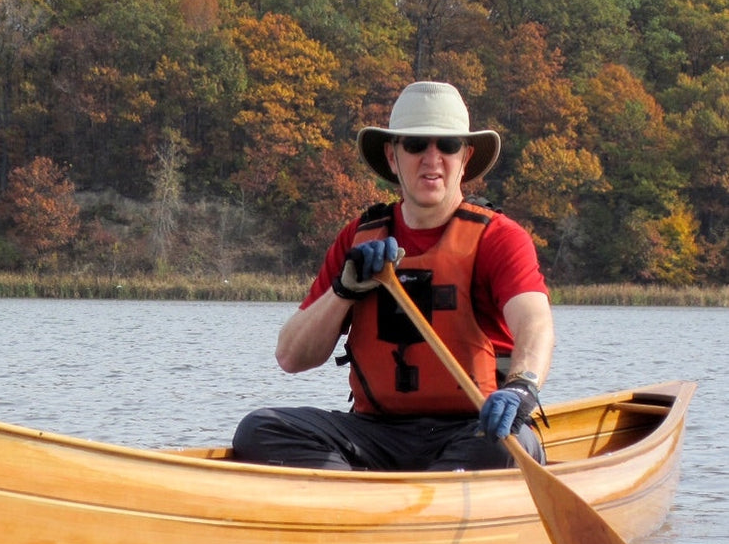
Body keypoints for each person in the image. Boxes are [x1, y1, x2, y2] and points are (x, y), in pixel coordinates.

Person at [232, 80, 554, 471]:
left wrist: (522, 386)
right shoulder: (358, 238)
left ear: (465, 157)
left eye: (448, 145)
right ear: (392, 155)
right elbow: (291, 356)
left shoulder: (500, 238)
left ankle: (384, 499)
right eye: (416, 144)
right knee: (259, 429)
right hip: (376, 434)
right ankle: (364, 501)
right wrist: (344, 290)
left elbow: (535, 322)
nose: (432, 158)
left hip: (474, 428)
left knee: (509, 445)